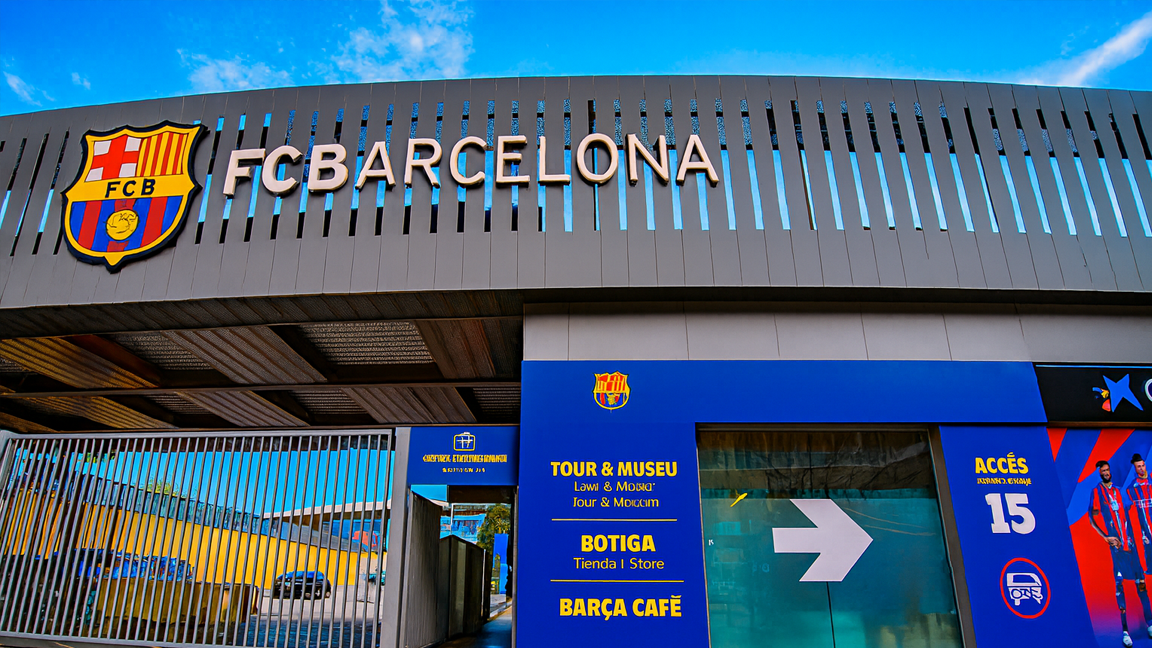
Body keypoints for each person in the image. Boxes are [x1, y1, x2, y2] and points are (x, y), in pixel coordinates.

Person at [1091, 459, 1152, 647]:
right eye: (1103, 471)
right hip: (1117, 550)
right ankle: (1125, 631)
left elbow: (1130, 514)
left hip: (1131, 546)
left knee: (1141, 584)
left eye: (1107, 470)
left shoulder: (1119, 491)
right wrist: (1105, 537)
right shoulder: (1097, 492)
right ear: (1099, 473)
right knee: (1120, 588)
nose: (1106, 473)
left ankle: (1150, 623)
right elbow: (1092, 517)